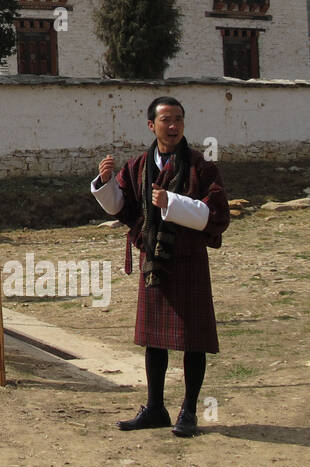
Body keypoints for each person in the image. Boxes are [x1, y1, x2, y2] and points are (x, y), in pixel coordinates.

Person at [91, 96, 229, 437]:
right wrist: (105, 182)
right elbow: (120, 207)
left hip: (189, 259)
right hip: (153, 260)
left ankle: (189, 411)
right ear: (151, 125)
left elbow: (218, 215)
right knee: (155, 339)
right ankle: (155, 407)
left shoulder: (201, 166)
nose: (173, 125)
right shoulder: (138, 165)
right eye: (166, 120)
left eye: (178, 119)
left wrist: (173, 203)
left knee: (194, 339)